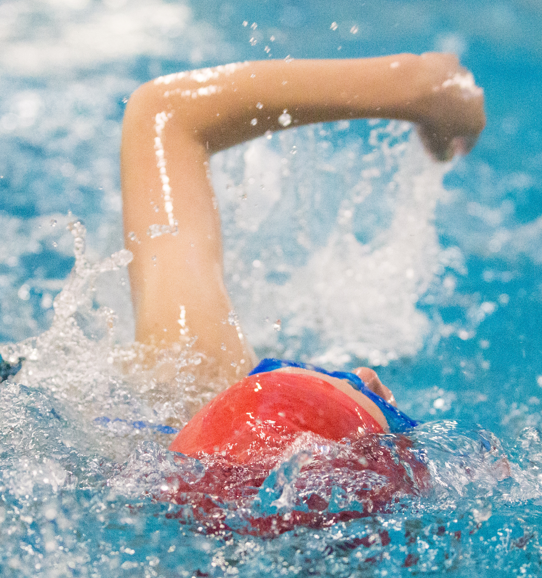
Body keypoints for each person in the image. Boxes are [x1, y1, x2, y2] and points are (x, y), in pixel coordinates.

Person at [119, 53, 485, 468]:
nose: (366, 374)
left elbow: (167, 112)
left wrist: (418, 86)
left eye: (346, 384)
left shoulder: (187, 383)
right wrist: (424, 86)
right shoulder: (185, 396)